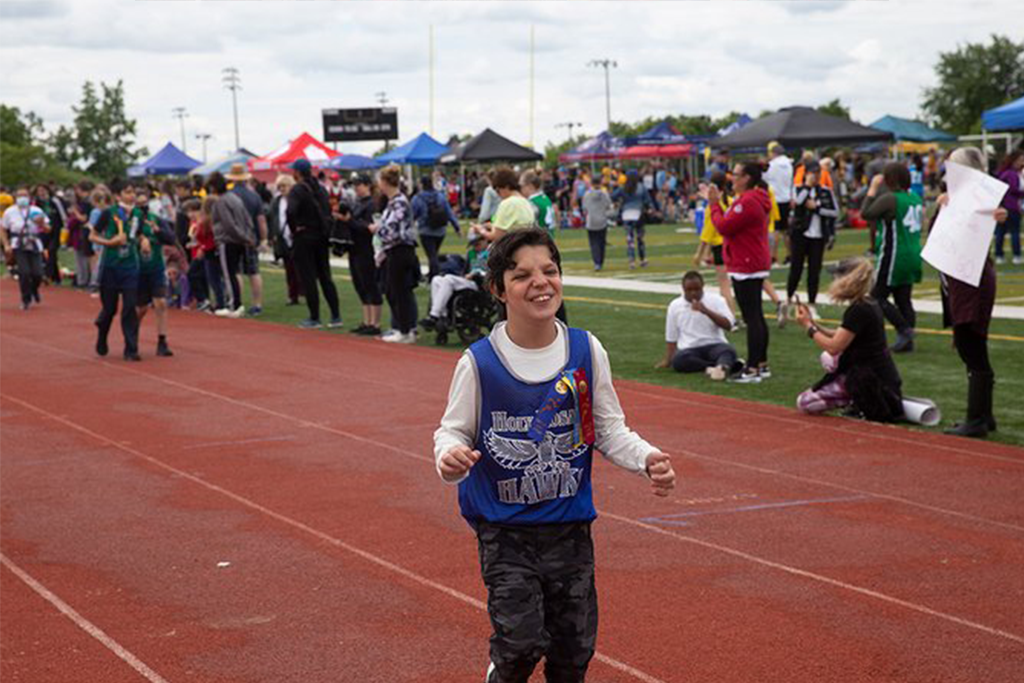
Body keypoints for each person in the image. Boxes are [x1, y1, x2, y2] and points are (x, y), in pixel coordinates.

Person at [433, 228, 675, 683]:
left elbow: (607, 428)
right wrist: (450, 456)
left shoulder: (586, 350)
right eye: (522, 275)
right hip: (505, 531)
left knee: (573, 652)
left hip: (570, 528)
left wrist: (646, 458)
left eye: (550, 270)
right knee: (520, 645)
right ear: (498, 289)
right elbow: (453, 430)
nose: (540, 283)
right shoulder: (479, 362)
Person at [938, 147, 1007, 438]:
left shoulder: (975, 198)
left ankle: (977, 418)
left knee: (973, 347)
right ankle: (984, 416)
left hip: (971, 279)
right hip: (965, 278)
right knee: (971, 346)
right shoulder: (959, 198)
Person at [795, 257, 904, 422]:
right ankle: (850, 394)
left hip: (870, 378)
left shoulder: (859, 309)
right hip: (879, 373)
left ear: (848, 279)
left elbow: (834, 347)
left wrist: (808, 327)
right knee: (826, 358)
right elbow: (841, 334)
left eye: (837, 276)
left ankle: (851, 398)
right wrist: (812, 323)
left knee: (805, 402)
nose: (834, 281)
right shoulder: (868, 303)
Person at [707, 162, 772, 383]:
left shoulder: (748, 201)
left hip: (747, 262)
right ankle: (760, 363)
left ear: (746, 178)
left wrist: (714, 205)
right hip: (751, 259)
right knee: (756, 315)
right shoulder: (753, 198)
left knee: (752, 317)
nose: (731, 178)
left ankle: (753, 367)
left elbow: (724, 226)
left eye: (735, 175)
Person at [860, 162, 924, 353]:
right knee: (903, 299)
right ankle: (907, 342)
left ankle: (904, 330)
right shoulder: (915, 197)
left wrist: (872, 189)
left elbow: (866, 213)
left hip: (895, 253)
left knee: (876, 297)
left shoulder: (891, 199)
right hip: (913, 252)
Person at [91, 181, 145, 360]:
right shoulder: (108, 213)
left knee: (130, 306)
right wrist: (109, 242)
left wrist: (144, 241)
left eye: (133, 192)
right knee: (109, 309)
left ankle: (131, 349)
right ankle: (102, 330)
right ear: (117, 195)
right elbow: (92, 235)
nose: (132, 195)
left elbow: (139, 234)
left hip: (130, 266)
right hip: (110, 266)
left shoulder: (138, 214)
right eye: (128, 192)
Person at [286, 159, 343, 329]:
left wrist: (294, 228)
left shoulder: (297, 189)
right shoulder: (321, 188)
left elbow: (290, 212)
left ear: (297, 172)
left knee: (308, 277)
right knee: (325, 276)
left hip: (304, 236)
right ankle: (336, 316)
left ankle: (315, 317)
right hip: (321, 236)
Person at [656, 271, 739, 380]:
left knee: (728, 351)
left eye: (697, 289)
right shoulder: (675, 305)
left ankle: (720, 366)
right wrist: (668, 360)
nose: (693, 293)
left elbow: (728, 325)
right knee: (679, 360)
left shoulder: (717, 300)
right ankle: (718, 367)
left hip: (715, 345)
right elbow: (672, 336)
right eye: (689, 290)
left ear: (703, 286)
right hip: (690, 349)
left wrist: (706, 311)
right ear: (683, 288)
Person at [369, 164, 419, 343]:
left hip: (400, 250)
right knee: (393, 290)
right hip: (394, 251)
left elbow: (393, 231)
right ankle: (402, 328)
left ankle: (405, 331)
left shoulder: (398, 202)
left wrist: (377, 229)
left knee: (398, 291)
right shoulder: (394, 201)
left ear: (384, 182)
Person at [786, 169, 838, 320]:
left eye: (817, 173)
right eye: (811, 173)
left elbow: (834, 212)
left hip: (818, 236)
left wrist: (817, 208)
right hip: (800, 234)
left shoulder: (826, 192)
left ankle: (812, 304)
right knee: (796, 269)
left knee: (814, 272)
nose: (814, 176)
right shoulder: (798, 189)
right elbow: (797, 204)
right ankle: (788, 301)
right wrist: (807, 187)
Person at [337, 174, 383, 335]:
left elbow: (370, 227)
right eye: (355, 185)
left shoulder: (372, 204)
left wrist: (349, 220)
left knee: (370, 284)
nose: (356, 188)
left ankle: (375, 323)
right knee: (360, 285)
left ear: (368, 185)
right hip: (355, 248)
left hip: (367, 249)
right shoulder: (357, 203)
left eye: (359, 184)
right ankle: (367, 321)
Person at [131, 187, 174, 357]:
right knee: (140, 308)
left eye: (145, 204)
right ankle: (132, 337)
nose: (142, 208)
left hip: (156, 267)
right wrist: (141, 239)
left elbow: (171, 238)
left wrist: (158, 231)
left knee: (160, 302)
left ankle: (162, 341)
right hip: (137, 270)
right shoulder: (129, 222)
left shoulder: (156, 219)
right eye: (138, 204)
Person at [206, 172, 255, 318]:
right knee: (233, 273)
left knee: (228, 274)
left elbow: (228, 225)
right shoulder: (235, 198)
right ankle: (236, 303)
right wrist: (247, 236)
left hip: (227, 241)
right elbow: (247, 219)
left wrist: (243, 237)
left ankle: (234, 304)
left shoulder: (221, 201)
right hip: (238, 240)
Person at [420, 234, 489, 333]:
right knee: (436, 279)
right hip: (467, 281)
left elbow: (489, 271)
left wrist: (475, 273)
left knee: (448, 279)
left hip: (479, 283)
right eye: (474, 245)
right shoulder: (472, 253)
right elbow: (464, 270)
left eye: (477, 244)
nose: (475, 247)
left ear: (485, 241)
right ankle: (442, 315)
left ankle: (434, 315)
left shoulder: (490, 253)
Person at [693, 172, 739, 317]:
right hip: (734, 245)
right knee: (736, 283)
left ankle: (730, 316)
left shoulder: (712, 206)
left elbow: (708, 231)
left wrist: (699, 253)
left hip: (720, 247)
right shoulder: (731, 201)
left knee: (724, 285)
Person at [226, 164, 269, 316]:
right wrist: (264, 239)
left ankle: (237, 303)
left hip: (233, 238)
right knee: (253, 272)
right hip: (251, 238)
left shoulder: (228, 195)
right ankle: (257, 304)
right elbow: (261, 220)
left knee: (235, 271)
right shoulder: (254, 196)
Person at [1, 186, 50, 310]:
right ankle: (25, 298)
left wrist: (41, 224)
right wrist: (6, 244)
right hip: (18, 244)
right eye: (19, 196)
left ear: (29, 197)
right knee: (24, 272)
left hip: (34, 243)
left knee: (38, 273)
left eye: (25, 196)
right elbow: (3, 228)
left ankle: (34, 289)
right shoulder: (10, 212)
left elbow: (48, 229)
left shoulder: (36, 210)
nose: (22, 198)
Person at [412, 176, 461, 281]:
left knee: (431, 255)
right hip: (440, 231)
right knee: (433, 253)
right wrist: (457, 227)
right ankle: (432, 274)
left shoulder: (417, 198)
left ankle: (435, 276)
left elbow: (412, 215)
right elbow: (449, 213)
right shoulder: (440, 196)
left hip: (425, 230)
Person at [473, 167, 537, 243]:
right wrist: (492, 226)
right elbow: (514, 227)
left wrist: (481, 230)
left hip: (511, 247)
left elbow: (497, 237)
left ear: (506, 186)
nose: (498, 194)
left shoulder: (507, 203)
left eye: (498, 190)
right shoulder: (525, 202)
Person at [612, 171, 659, 269]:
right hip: (638, 214)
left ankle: (631, 261)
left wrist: (619, 201)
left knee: (630, 239)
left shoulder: (623, 188)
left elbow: (612, 196)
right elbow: (648, 201)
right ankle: (643, 260)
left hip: (626, 214)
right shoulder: (641, 187)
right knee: (640, 238)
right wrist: (651, 209)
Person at [993, 149, 1023, 265]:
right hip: (1012, 206)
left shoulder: (1003, 173)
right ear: (1013, 161)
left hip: (1002, 206)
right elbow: (1014, 189)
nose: (1022, 163)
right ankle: (1016, 256)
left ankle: (999, 255)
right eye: (1020, 160)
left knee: (1000, 232)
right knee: (1014, 232)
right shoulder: (1012, 174)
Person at [32, 183, 66, 286]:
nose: (41, 193)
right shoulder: (36, 203)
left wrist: (65, 227)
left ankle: (48, 275)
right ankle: (56, 277)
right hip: (42, 230)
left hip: (56, 230)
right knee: (44, 252)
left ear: (47, 191)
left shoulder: (54, 201)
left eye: (43, 190)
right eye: (39, 191)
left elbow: (62, 215)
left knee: (52, 250)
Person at [581, 176, 613, 271]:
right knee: (601, 243)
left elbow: (584, 208)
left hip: (591, 221)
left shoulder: (587, 194)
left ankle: (596, 262)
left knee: (593, 243)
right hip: (602, 220)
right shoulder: (604, 194)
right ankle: (601, 261)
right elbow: (609, 206)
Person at [521, 170, 555, 238]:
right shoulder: (545, 198)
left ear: (530, 186)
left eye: (522, 186)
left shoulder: (532, 203)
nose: (520, 189)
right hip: (549, 237)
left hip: (539, 240)